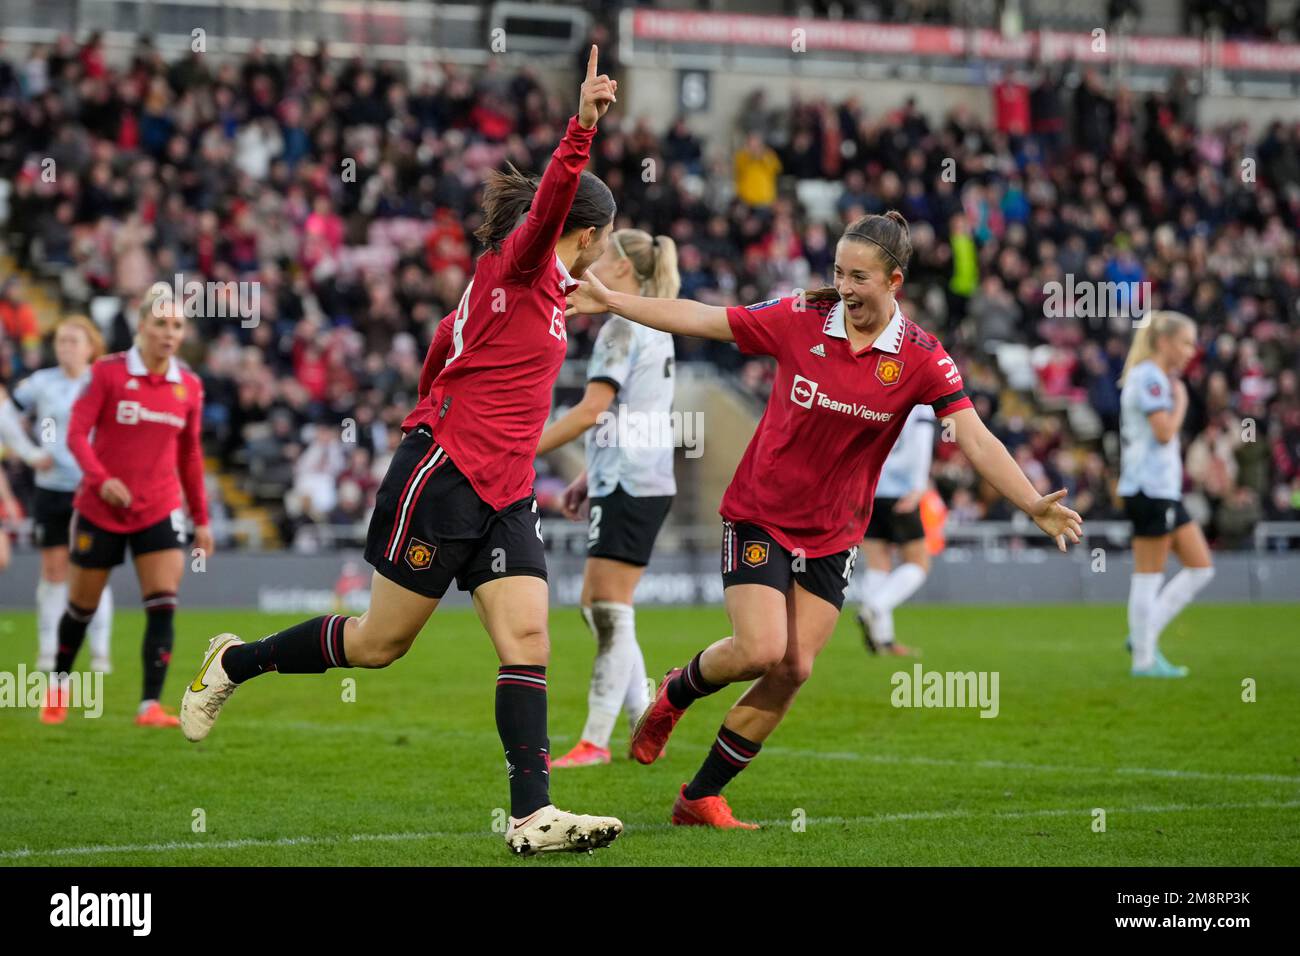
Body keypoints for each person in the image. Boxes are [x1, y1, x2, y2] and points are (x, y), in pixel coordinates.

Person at [180, 48, 625, 856]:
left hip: (506, 491)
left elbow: (442, 350)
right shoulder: (519, 265)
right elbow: (549, 210)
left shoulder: (543, 292)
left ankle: (532, 816)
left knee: (528, 642)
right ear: (584, 234)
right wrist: (582, 128)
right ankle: (234, 663)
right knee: (379, 646)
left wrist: (439, 394)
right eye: (603, 236)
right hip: (448, 477)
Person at [566, 210, 1083, 828]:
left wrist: (1030, 502)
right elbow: (705, 319)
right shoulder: (799, 318)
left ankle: (698, 797)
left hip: (834, 532)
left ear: (895, 281)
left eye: (859, 276)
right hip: (761, 512)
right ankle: (676, 692)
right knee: (760, 649)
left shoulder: (920, 357)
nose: (844, 286)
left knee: (794, 669)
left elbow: (971, 435)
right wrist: (615, 301)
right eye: (838, 272)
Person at [537, 228, 680, 768]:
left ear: (621, 270)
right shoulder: (656, 321)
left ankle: (597, 741)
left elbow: (593, 409)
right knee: (600, 606)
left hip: (631, 481)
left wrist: (522, 448)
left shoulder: (622, 327)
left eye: (603, 255)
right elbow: (630, 415)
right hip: (630, 476)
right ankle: (645, 712)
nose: (591, 261)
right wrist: (586, 478)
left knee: (608, 608)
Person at [43, 296, 212, 726]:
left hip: (159, 507)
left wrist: (202, 520)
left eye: (177, 325)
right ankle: (58, 687)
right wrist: (102, 480)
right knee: (81, 607)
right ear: (141, 326)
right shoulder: (109, 372)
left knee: (163, 603)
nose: (169, 333)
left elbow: (190, 456)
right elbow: (76, 435)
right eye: (161, 323)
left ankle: (149, 706)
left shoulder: (188, 386)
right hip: (100, 510)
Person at [0, 317, 115, 674]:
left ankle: (100, 652)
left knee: (94, 570)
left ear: (90, 347)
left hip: (92, 489)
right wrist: (32, 454)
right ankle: (48, 651)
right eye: (61, 340)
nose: (65, 347)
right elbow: (5, 413)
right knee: (52, 570)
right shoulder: (42, 382)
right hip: (52, 490)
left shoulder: (102, 381)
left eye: (73, 341)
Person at [1117, 311, 1213, 678]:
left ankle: (1143, 634)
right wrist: (1182, 404)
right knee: (1148, 574)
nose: (1191, 351)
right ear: (1164, 342)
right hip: (1149, 488)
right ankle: (1143, 659)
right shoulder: (1151, 379)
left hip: (1161, 489)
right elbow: (1163, 432)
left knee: (1201, 566)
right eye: (1186, 342)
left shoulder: (1153, 378)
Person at [856, 403, 936, 657]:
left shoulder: (876, 395)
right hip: (900, 492)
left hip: (869, 490)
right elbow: (919, 448)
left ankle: (883, 639)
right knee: (919, 562)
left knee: (878, 564)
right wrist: (919, 486)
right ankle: (876, 606)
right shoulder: (920, 407)